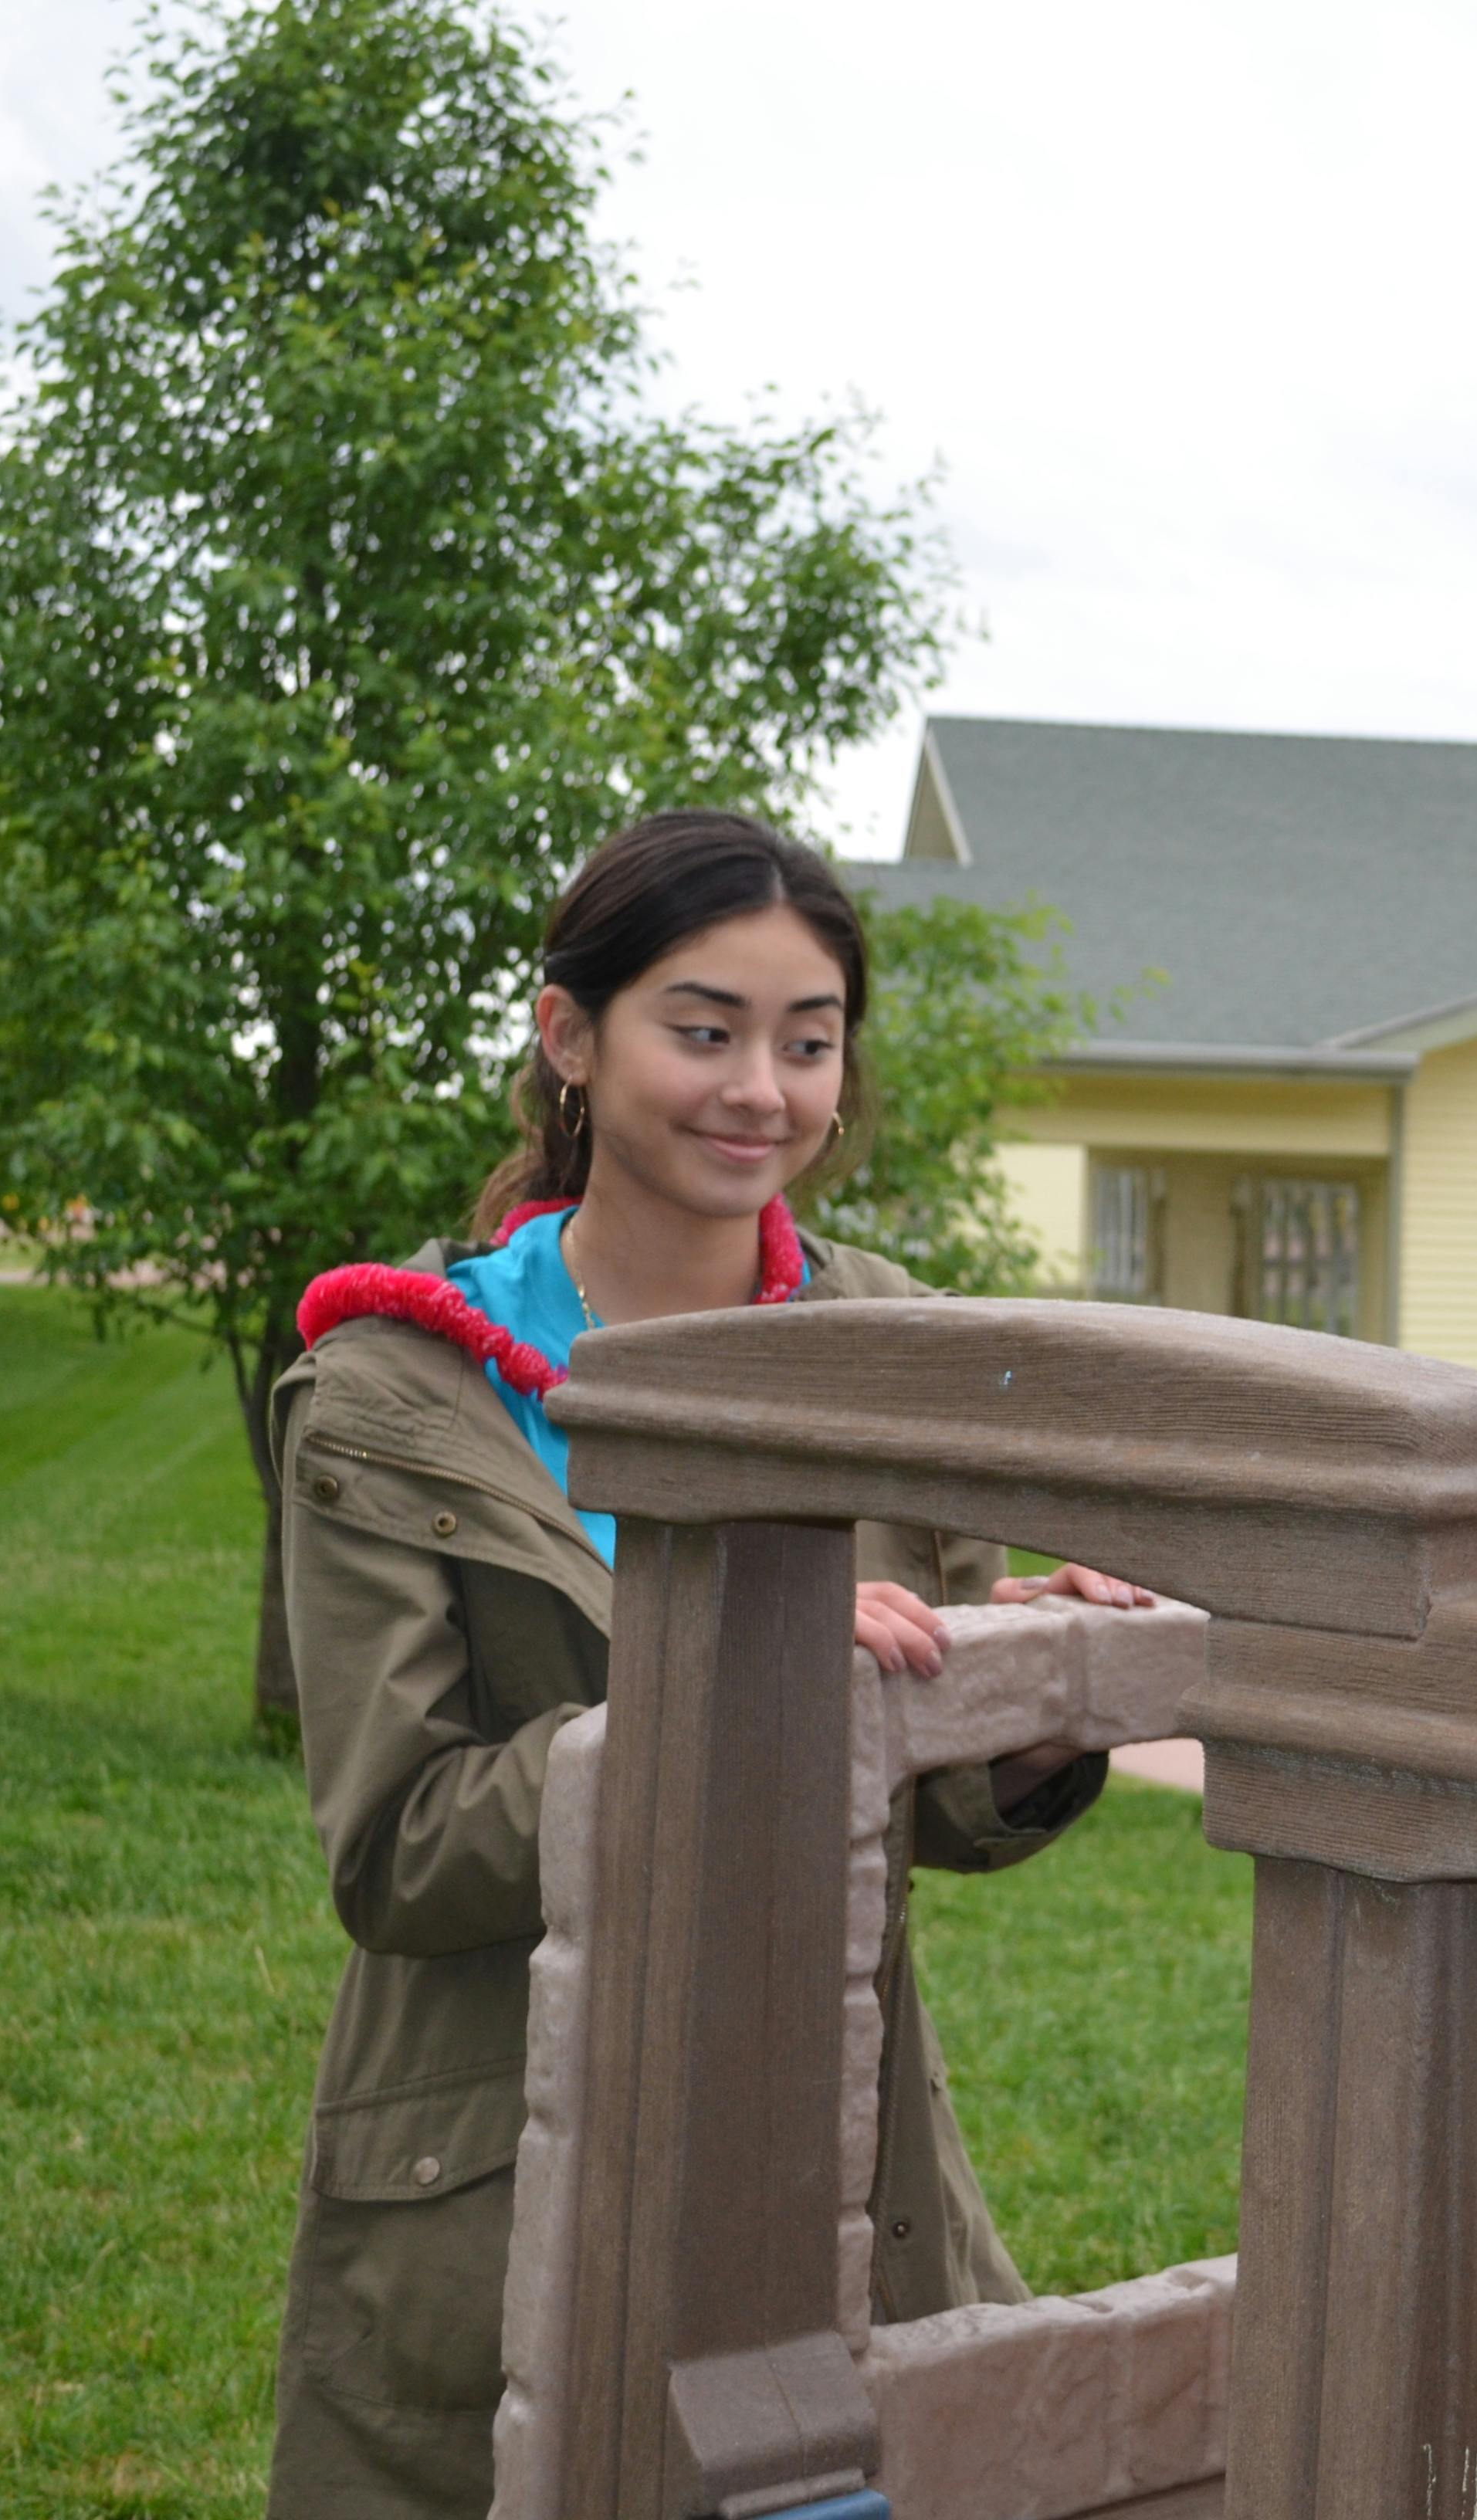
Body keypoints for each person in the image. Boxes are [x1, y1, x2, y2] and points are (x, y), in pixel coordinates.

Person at [262, 810, 1143, 2519]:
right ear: (569, 1035)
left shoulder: (889, 1346)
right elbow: (401, 1856)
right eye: (704, 1028)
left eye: (808, 1043)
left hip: (827, 2128)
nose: (762, 1088)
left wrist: (1021, 1705)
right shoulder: (396, 1391)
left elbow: (931, 1805)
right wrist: (720, 1688)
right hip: (501, 2144)